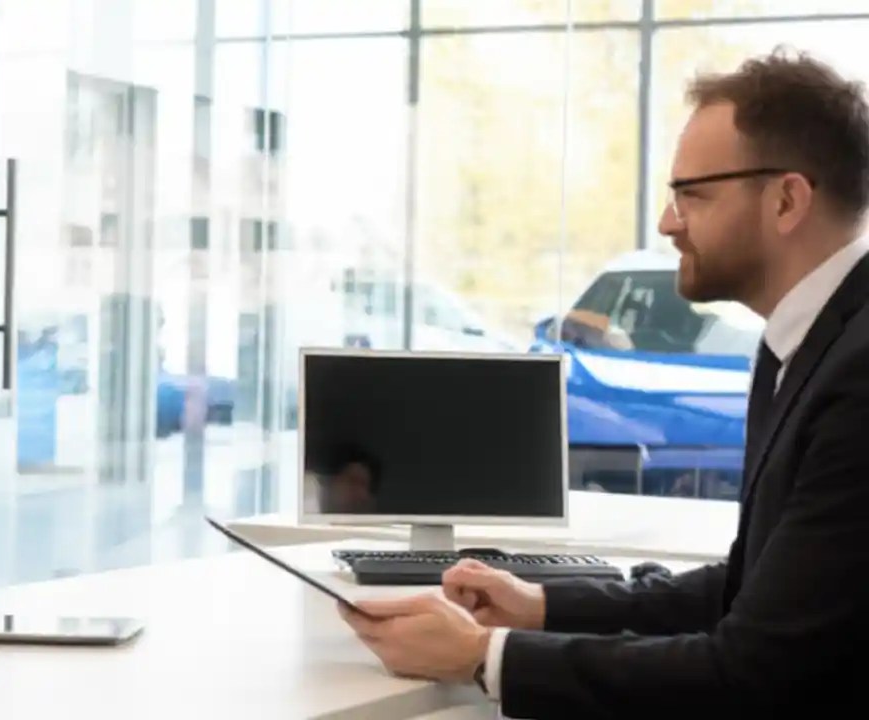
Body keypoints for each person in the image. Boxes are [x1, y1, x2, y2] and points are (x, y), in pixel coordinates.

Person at [339, 48, 869, 717]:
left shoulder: (857, 374)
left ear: (787, 199)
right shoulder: (802, 344)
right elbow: (748, 589)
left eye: (691, 194)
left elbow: (753, 671)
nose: (667, 223)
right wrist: (544, 604)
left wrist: (483, 656)